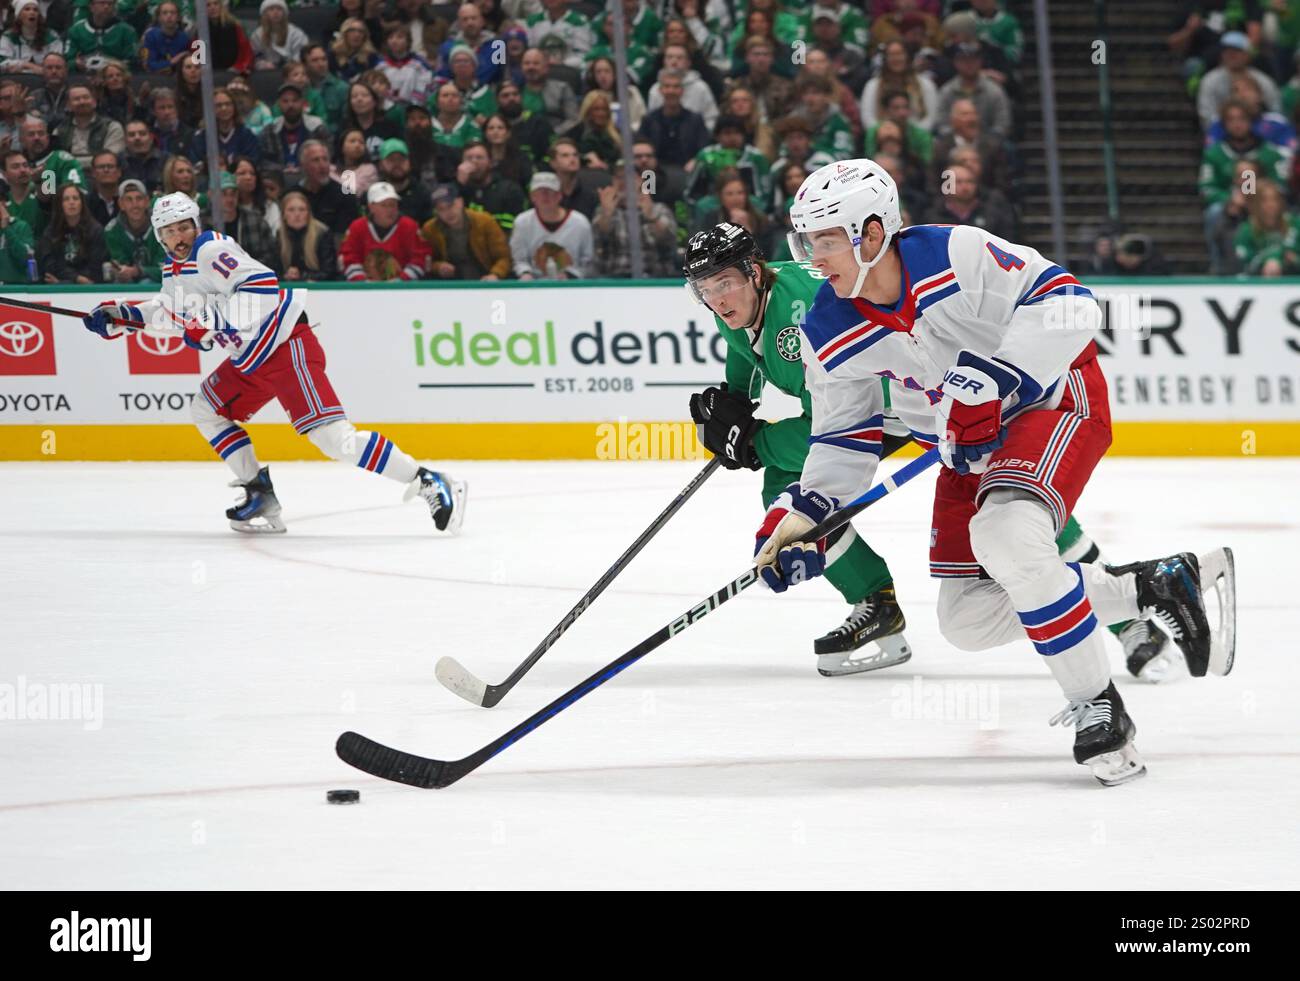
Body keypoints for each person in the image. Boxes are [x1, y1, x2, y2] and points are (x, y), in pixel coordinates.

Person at [760, 159, 1236, 782]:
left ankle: (1098, 705)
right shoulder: (828, 322)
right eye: (806, 242)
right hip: (966, 446)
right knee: (966, 620)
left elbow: (1070, 305)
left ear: (871, 233)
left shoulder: (954, 253)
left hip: (1054, 398)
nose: (813, 259)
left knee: (1007, 537)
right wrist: (802, 517)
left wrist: (995, 382)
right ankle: (1153, 585)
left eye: (824, 241)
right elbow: (846, 436)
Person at [81, 192, 465, 534]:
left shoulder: (211, 250)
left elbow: (263, 287)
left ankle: (429, 479)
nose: (178, 236)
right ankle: (259, 492)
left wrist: (212, 323)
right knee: (207, 409)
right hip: (250, 359)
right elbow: (171, 310)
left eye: (184, 227)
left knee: (335, 440)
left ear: (196, 225)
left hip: (285, 346)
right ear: (158, 237)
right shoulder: (174, 269)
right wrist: (123, 316)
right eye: (169, 231)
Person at [591, 172, 678, 277]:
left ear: (641, 181)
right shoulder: (603, 211)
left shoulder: (659, 209)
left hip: (655, 279)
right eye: (620, 178)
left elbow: (668, 240)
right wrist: (607, 214)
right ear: (613, 182)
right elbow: (600, 238)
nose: (625, 182)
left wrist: (651, 216)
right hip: (615, 280)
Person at [340, 180, 430, 281]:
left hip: (404, 292)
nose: (390, 210)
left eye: (392, 204)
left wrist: (401, 281)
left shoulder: (410, 227)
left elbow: (420, 259)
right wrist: (362, 282)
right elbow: (348, 259)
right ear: (371, 207)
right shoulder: (357, 228)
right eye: (384, 205)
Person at [510, 170, 591, 279]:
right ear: (532, 196)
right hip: (534, 286)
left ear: (559, 196)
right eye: (540, 191)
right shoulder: (522, 222)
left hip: (570, 286)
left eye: (550, 191)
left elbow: (588, 261)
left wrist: (570, 275)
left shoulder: (580, 223)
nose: (545, 196)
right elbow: (519, 260)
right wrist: (525, 273)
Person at [420, 182, 510, 280]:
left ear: (460, 202)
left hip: (485, 281)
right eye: (441, 209)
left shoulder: (485, 222)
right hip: (450, 285)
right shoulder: (430, 229)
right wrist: (438, 267)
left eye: (451, 205)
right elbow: (426, 262)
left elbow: (504, 257)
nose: (448, 212)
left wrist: (495, 274)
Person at [38, 182, 107, 282]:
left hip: (89, 288)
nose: (72, 202)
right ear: (59, 204)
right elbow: (50, 264)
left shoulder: (95, 230)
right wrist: (76, 279)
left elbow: (97, 265)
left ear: (82, 203)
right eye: (66, 199)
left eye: (75, 198)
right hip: (59, 288)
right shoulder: (50, 232)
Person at [258, 82, 328, 178]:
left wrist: (302, 168)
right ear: (279, 104)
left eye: (295, 100)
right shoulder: (269, 131)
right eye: (285, 101)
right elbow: (263, 161)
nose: (290, 105)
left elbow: (328, 156)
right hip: (279, 179)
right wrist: (282, 169)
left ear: (303, 103)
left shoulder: (317, 127)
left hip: (310, 177)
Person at [456, 139, 526, 231]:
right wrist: (459, 186)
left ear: (490, 162)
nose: (474, 162)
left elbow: (511, 228)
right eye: (469, 158)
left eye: (479, 157)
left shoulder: (509, 190)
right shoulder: (458, 190)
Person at [104, 178, 164, 282]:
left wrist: (139, 271)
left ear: (147, 202)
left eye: (139, 198)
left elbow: (165, 269)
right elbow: (121, 267)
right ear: (121, 204)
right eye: (129, 200)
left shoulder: (162, 227)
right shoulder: (112, 231)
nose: (135, 205)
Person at [298, 139, 358, 240]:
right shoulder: (293, 194)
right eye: (316, 160)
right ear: (303, 166)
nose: (322, 165)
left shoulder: (345, 195)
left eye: (325, 159)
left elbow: (343, 236)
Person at [53, 83, 124, 169]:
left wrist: (70, 163)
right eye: (76, 99)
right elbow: (56, 160)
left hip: (101, 175)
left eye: (86, 98)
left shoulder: (112, 127)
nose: (82, 102)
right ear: (68, 106)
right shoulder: (59, 130)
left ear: (94, 102)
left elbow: (109, 159)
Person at [274, 189, 337, 281]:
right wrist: (285, 276)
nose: (297, 214)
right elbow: (272, 270)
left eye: (302, 210)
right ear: (284, 215)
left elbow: (330, 271)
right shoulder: (279, 235)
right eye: (291, 210)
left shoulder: (322, 233)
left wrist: (302, 276)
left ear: (308, 213)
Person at [64, 0, 137, 71]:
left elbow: (132, 61)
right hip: (82, 76)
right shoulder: (76, 30)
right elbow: (66, 61)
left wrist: (115, 65)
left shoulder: (127, 31)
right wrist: (76, 64)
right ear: (91, 6)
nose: (106, 6)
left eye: (110, 4)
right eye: (102, 3)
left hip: (115, 76)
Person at [1, 0, 64, 75]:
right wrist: (27, 65)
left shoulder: (51, 36)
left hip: (44, 78)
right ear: (19, 15)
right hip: (15, 79)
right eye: (27, 9)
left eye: (35, 10)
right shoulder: (8, 36)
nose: (32, 12)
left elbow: (59, 60)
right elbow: (2, 62)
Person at [250, 0, 309, 70]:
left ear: (284, 13)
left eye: (279, 9)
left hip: (292, 71)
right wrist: (262, 64)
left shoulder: (295, 33)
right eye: (271, 9)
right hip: (266, 72)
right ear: (265, 14)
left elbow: (301, 55)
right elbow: (255, 56)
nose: (276, 12)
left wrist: (290, 65)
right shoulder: (257, 35)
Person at [141, 0, 190, 73]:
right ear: (159, 17)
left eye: (173, 13)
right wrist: (172, 62)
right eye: (165, 13)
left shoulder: (184, 38)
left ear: (178, 17)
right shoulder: (150, 36)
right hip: (154, 78)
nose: (169, 16)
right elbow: (149, 65)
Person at [0, 196, 37, 283]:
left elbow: (26, 257)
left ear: (4, 203)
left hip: (16, 291)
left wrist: (7, 229)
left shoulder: (21, 227)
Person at [85, 148, 121, 226]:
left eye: (110, 166)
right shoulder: (85, 204)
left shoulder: (128, 201)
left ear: (119, 172)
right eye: (101, 167)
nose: (106, 170)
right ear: (93, 173)